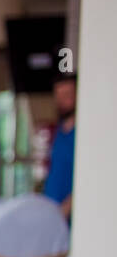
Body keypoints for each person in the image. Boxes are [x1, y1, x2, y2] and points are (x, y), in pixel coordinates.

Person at [43, 74, 76, 220]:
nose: (61, 101)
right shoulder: (59, 130)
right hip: (52, 213)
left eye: (67, 95)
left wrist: (65, 210)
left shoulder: (83, 135)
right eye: (58, 95)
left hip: (68, 218)